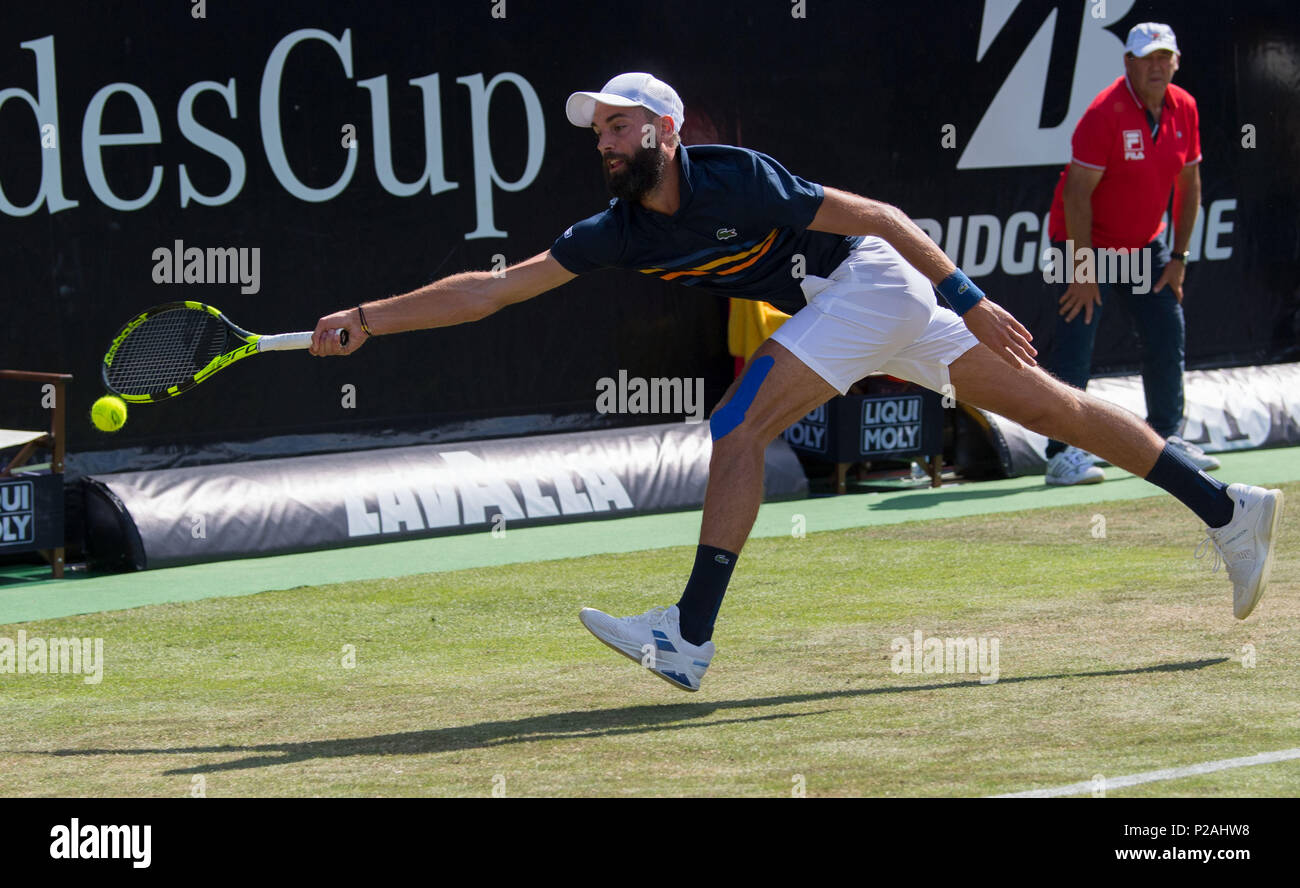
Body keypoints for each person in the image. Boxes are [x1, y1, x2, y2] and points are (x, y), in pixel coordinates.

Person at [310, 72, 1284, 692]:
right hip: (859, 312)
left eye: (617, 128)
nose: (602, 144)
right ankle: (1226, 506)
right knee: (1053, 409)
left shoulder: (730, 177)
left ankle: (687, 637)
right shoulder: (614, 229)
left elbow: (886, 216)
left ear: (663, 130)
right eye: (595, 133)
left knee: (736, 427)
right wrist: (369, 316)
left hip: (871, 282)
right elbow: (491, 292)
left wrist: (972, 297)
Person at [1042, 22, 1220, 486]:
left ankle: (1166, 441)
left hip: (1146, 244)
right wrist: (1082, 267)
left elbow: (1189, 184)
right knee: (1076, 345)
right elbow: (1077, 196)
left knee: (1166, 331)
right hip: (1084, 241)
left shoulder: (1186, 108)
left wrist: (1179, 256)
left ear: (1176, 63)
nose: (1158, 66)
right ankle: (1061, 454)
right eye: (1148, 58)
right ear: (1129, 64)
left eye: (1165, 57)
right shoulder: (1104, 113)